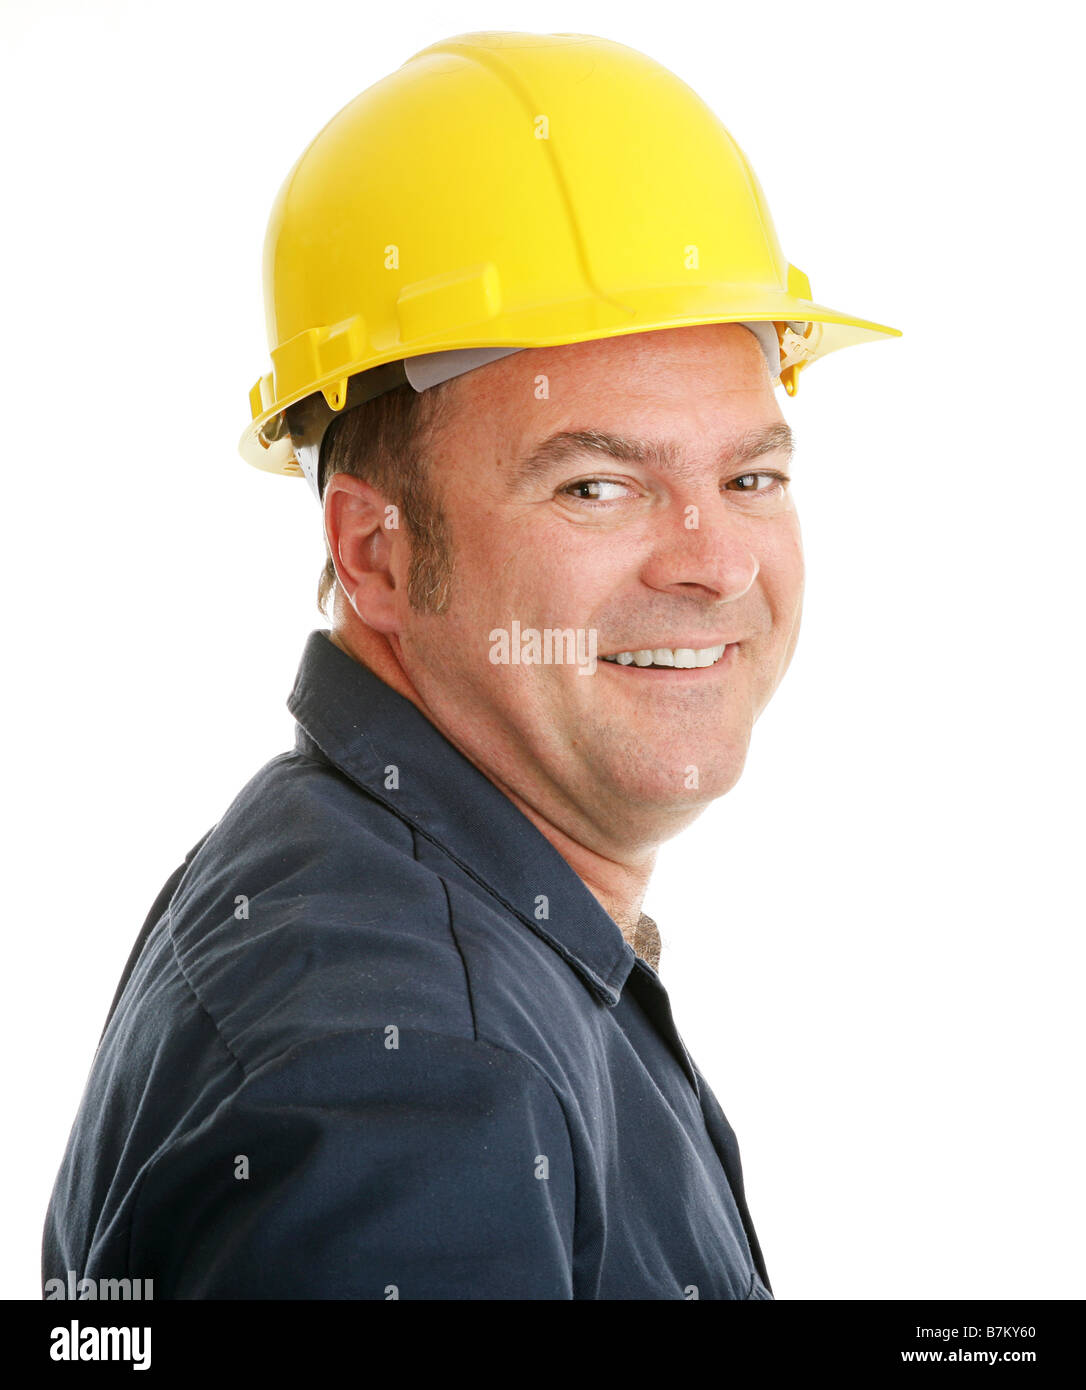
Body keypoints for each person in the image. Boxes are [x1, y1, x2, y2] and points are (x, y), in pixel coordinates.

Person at [42, 29, 899, 1300]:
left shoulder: (388, 896)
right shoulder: (421, 1079)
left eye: (750, 475)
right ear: (376, 552)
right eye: (599, 484)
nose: (714, 562)